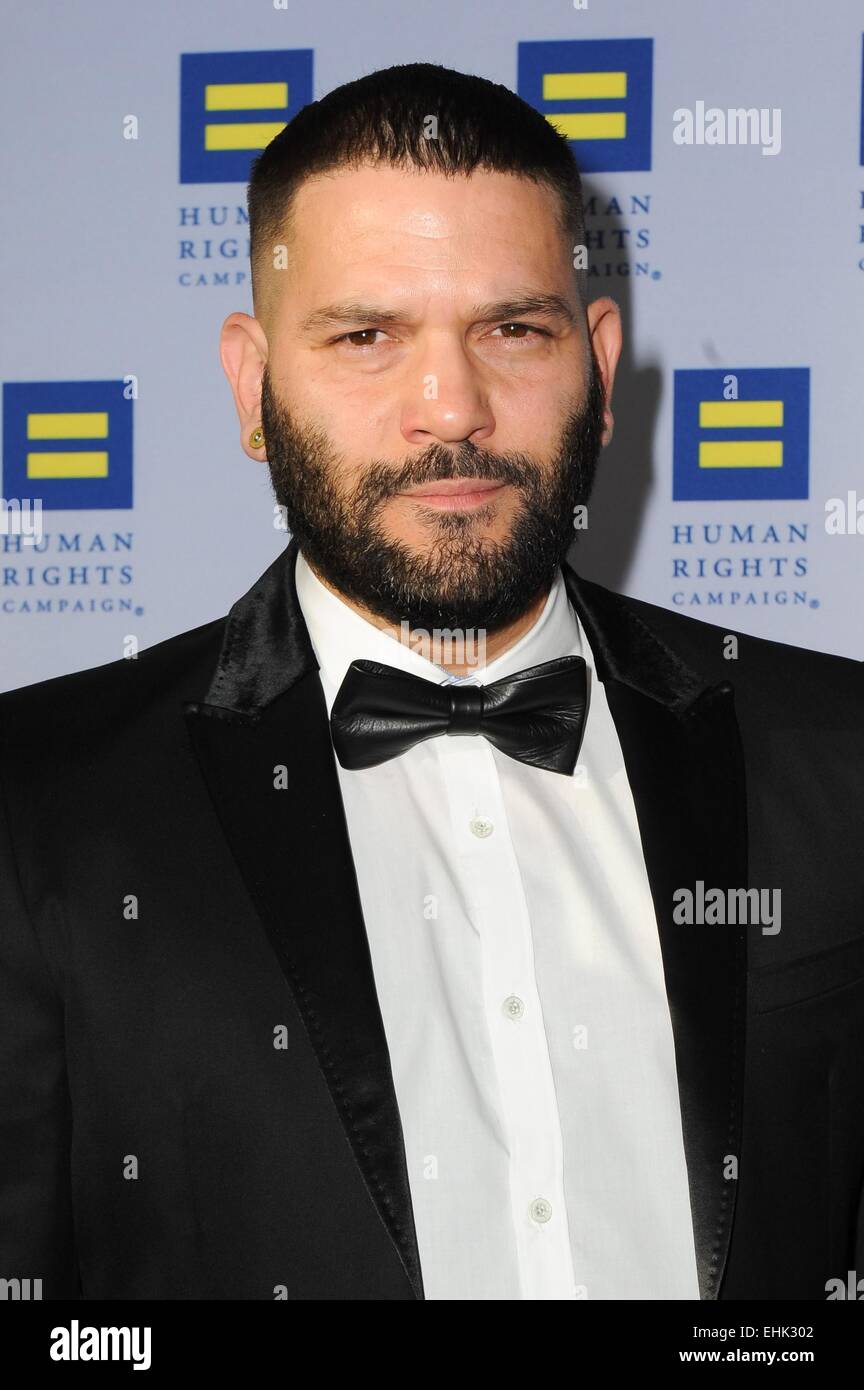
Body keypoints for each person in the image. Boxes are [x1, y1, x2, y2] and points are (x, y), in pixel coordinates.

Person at [1, 62, 862, 1302]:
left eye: (513, 328)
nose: (451, 407)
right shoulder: (40, 805)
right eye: (366, 336)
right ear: (253, 386)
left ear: (601, 365)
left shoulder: (838, 756)